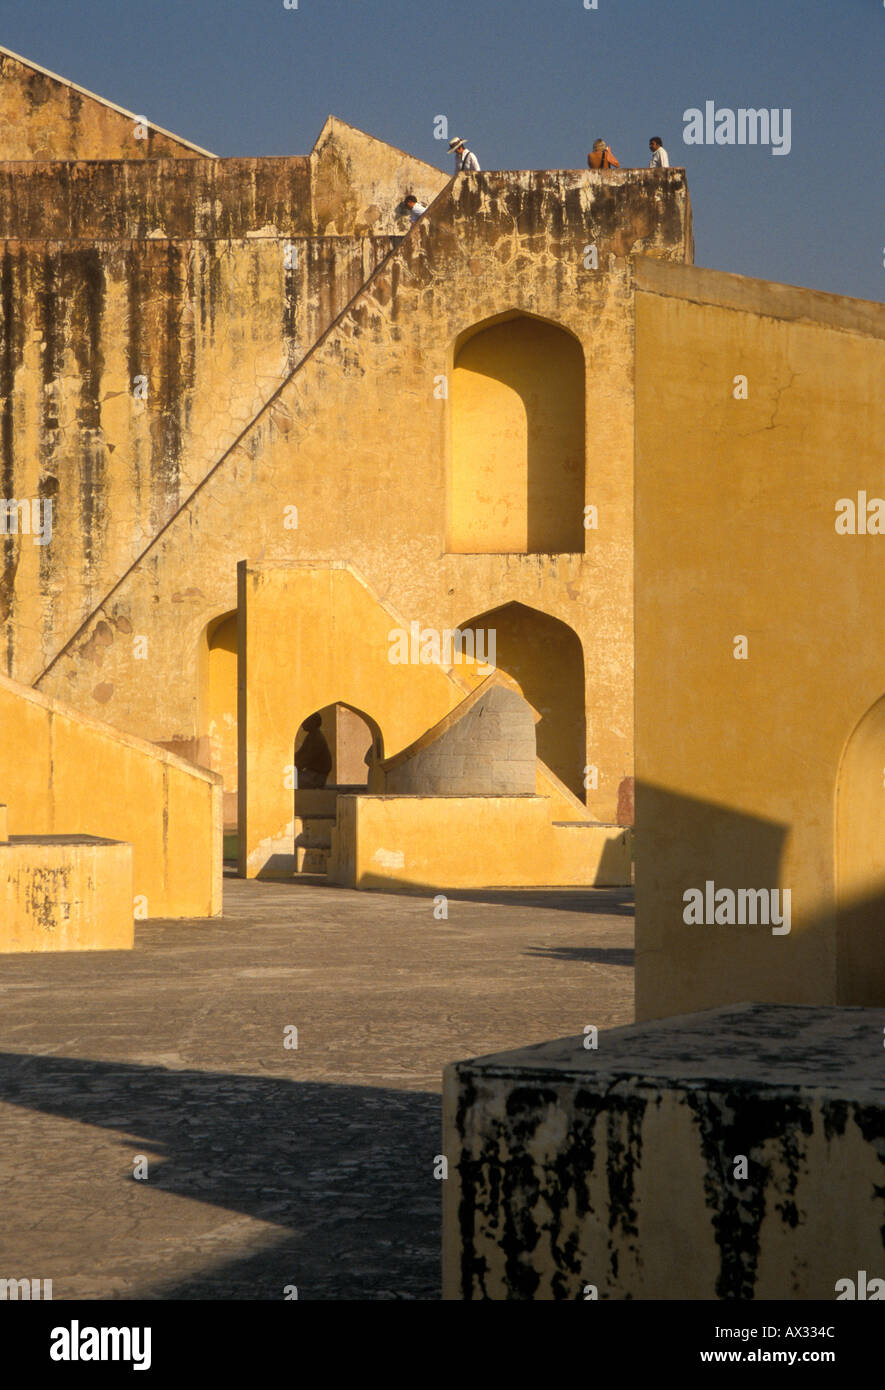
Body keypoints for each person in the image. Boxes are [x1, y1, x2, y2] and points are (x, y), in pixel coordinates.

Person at [294, 713, 333, 789]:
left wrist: (295, 766)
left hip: (316, 777)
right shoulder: (311, 736)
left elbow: (306, 758)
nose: (303, 723)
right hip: (311, 774)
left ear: (313, 723)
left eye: (306, 720)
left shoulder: (317, 738)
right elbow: (300, 754)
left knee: (287, 781)